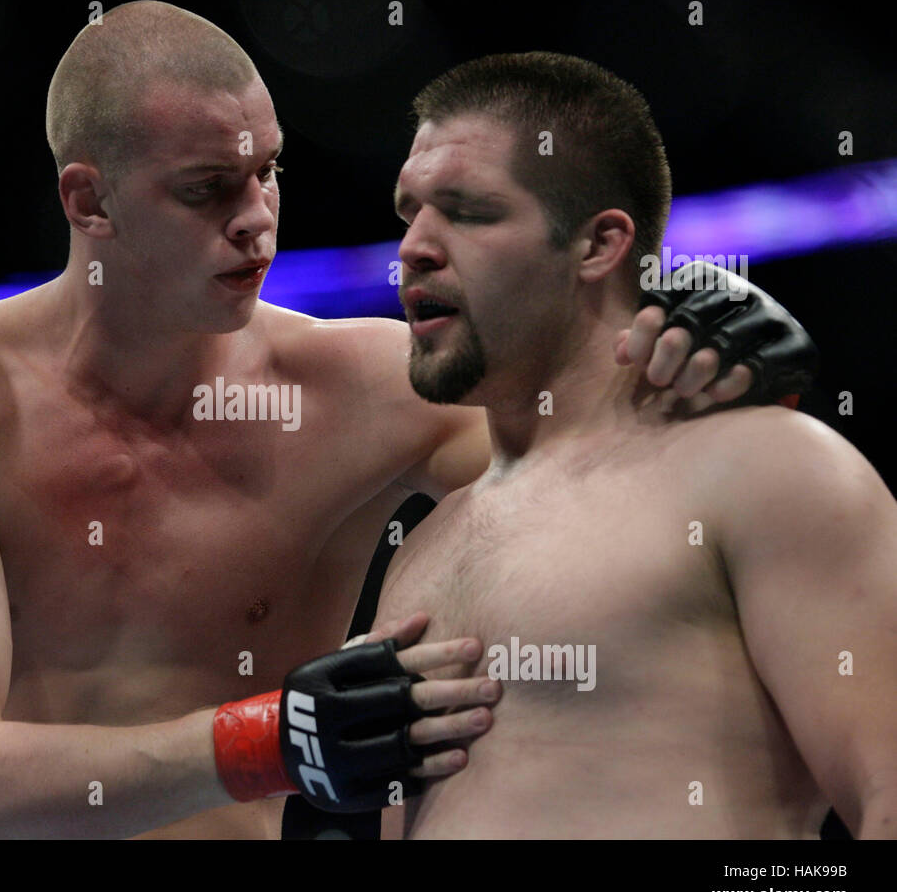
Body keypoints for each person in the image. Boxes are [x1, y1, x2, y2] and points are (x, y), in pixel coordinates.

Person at [0, 3, 817, 839]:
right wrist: (270, 737)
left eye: (267, 171)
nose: (256, 218)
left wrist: (697, 343)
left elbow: (617, 485)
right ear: (89, 201)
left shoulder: (366, 390)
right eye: (207, 189)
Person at [369, 51, 896, 838]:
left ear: (597, 245)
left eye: (468, 211)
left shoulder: (768, 467)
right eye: (409, 213)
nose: (414, 246)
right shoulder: (426, 544)